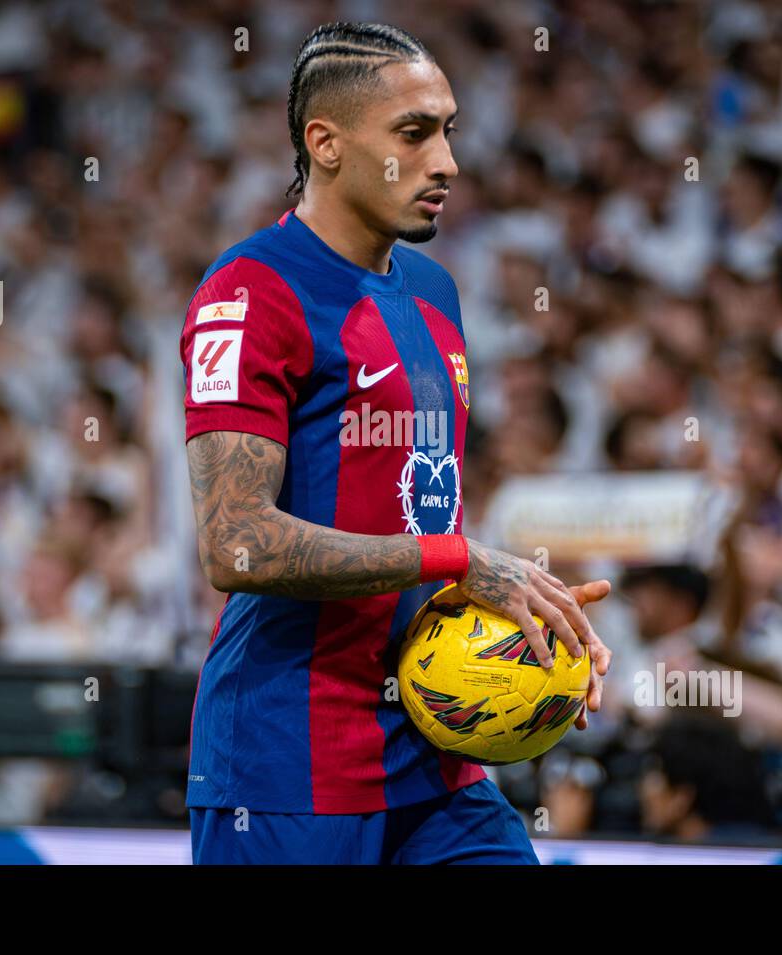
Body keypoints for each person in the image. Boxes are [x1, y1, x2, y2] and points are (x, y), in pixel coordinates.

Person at [178, 22, 611, 865]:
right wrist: (454, 560)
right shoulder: (249, 292)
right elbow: (236, 541)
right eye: (414, 134)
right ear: (326, 143)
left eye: (449, 130)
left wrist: (522, 623)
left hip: (432, 748)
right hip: (285, 764)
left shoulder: (434, 289)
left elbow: (418, 506)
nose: (446, 162)